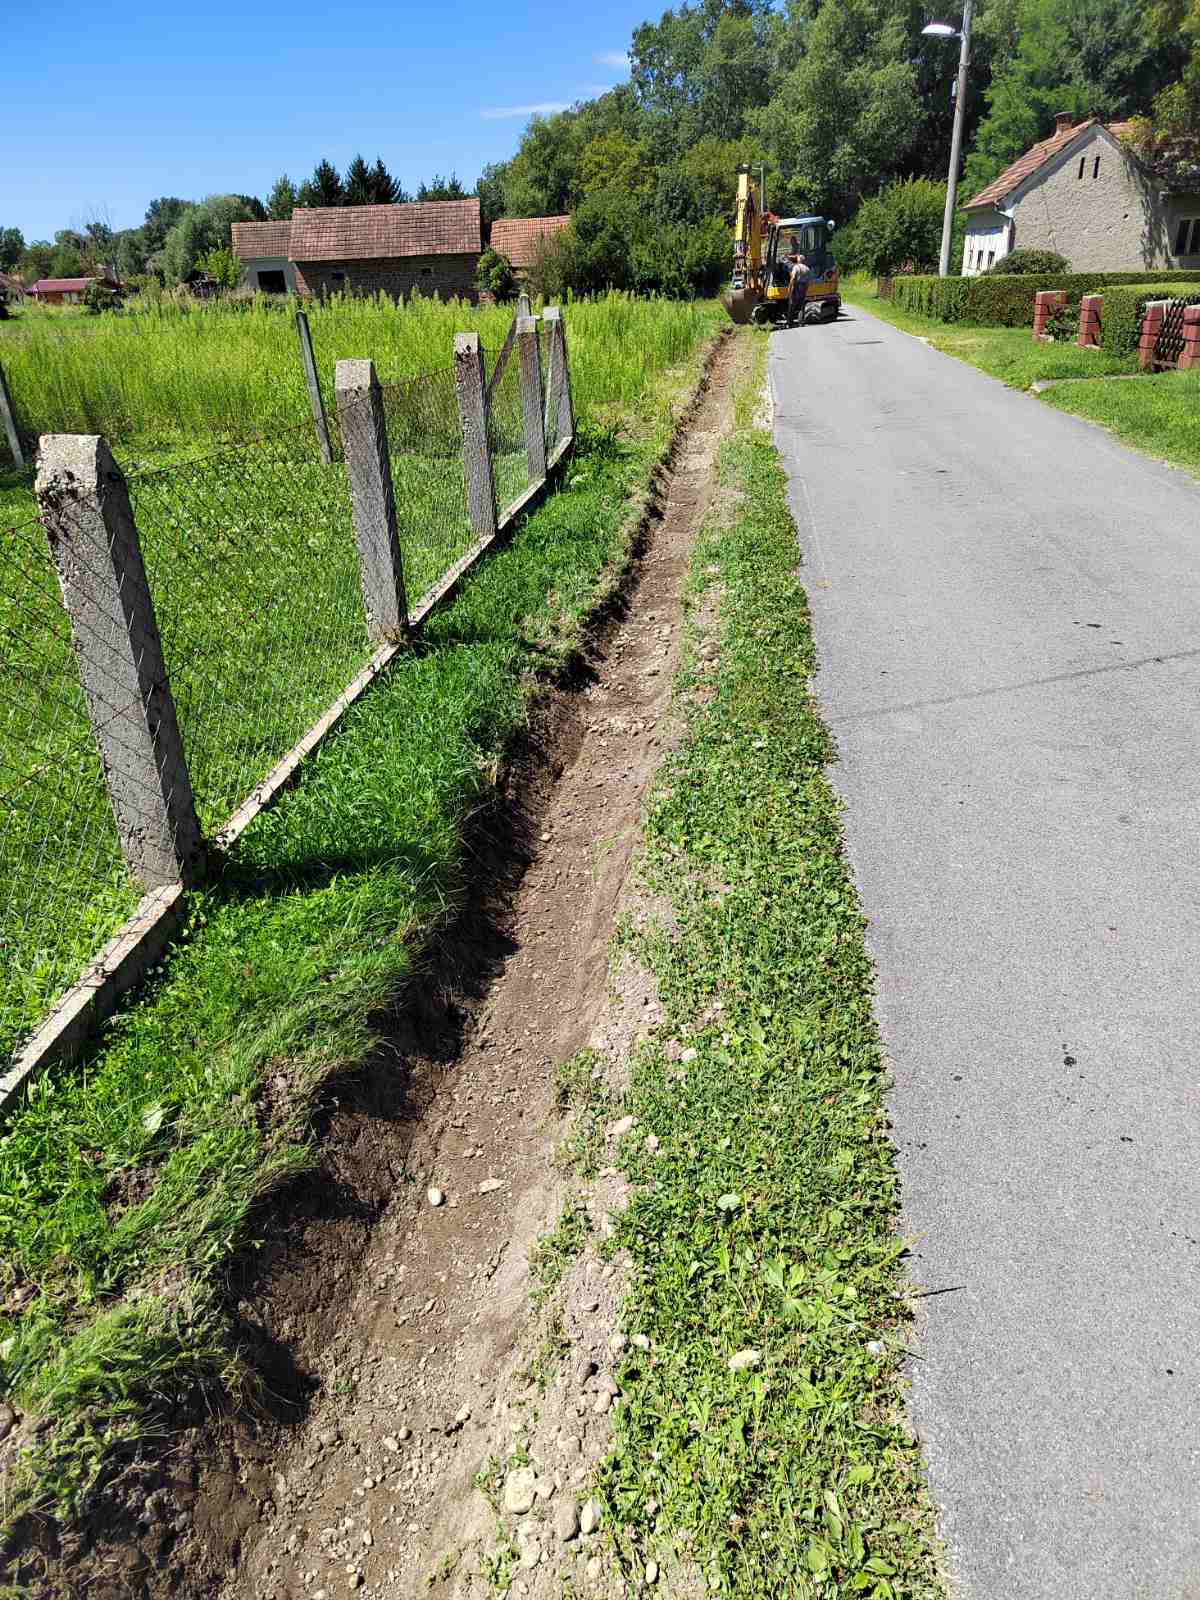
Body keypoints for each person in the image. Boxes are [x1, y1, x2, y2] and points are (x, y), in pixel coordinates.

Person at [786, 252, 811, 328]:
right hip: (804, 287)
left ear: (799, 260)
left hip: (797, 286)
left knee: (792, 305)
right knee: (801, 306)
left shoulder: (796, 267)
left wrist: (790, 287)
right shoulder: (807, 268)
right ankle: (801, 322)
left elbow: (793, 278)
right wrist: (806, 289)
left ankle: (790, 323)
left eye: (797, 258)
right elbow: (808, 281)